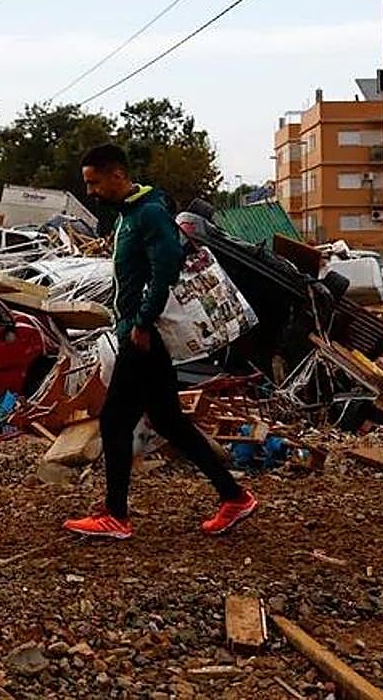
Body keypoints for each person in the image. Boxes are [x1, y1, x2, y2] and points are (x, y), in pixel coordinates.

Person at [62, 142, 258, 540]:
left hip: (143, 336)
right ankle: (234, 496)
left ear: (118, 175)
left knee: (116, 422)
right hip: (140, 332)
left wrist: (143, 321)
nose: (91, 192)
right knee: (168, 419)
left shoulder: (148, 214)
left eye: (95, 183)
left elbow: (167, 266)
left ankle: (116, 515)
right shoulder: (131, 215)